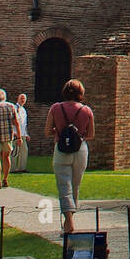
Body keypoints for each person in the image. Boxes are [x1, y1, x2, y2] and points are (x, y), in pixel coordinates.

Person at [45, 79, 94, 235]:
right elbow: (91, 135)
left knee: (63, 186)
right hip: (80, 150)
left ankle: (69, 221)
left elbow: (47, 131)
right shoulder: (87, 110)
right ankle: (69, 221)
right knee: (75, 185)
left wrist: (59, 130)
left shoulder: (56, 108)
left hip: (61, 149)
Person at [0, 89, 20, 189]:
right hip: (8, 135)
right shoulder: (11, 106)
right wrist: (19, 136)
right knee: (7, 157)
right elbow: (16, 122)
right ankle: (5, 179)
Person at [10, 94, 30, 173]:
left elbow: (24, 124)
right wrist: (13, 132)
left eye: (24, 99)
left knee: (24, 150)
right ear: (18, 99)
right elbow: (12, 121)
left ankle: (22, 168)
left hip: (23, 135)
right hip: (15, 134)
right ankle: (12, 169)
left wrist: (26, 134)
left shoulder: (23, 110)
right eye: (21, 98)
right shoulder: (15, 108)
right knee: (15, 151)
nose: (23, 100)